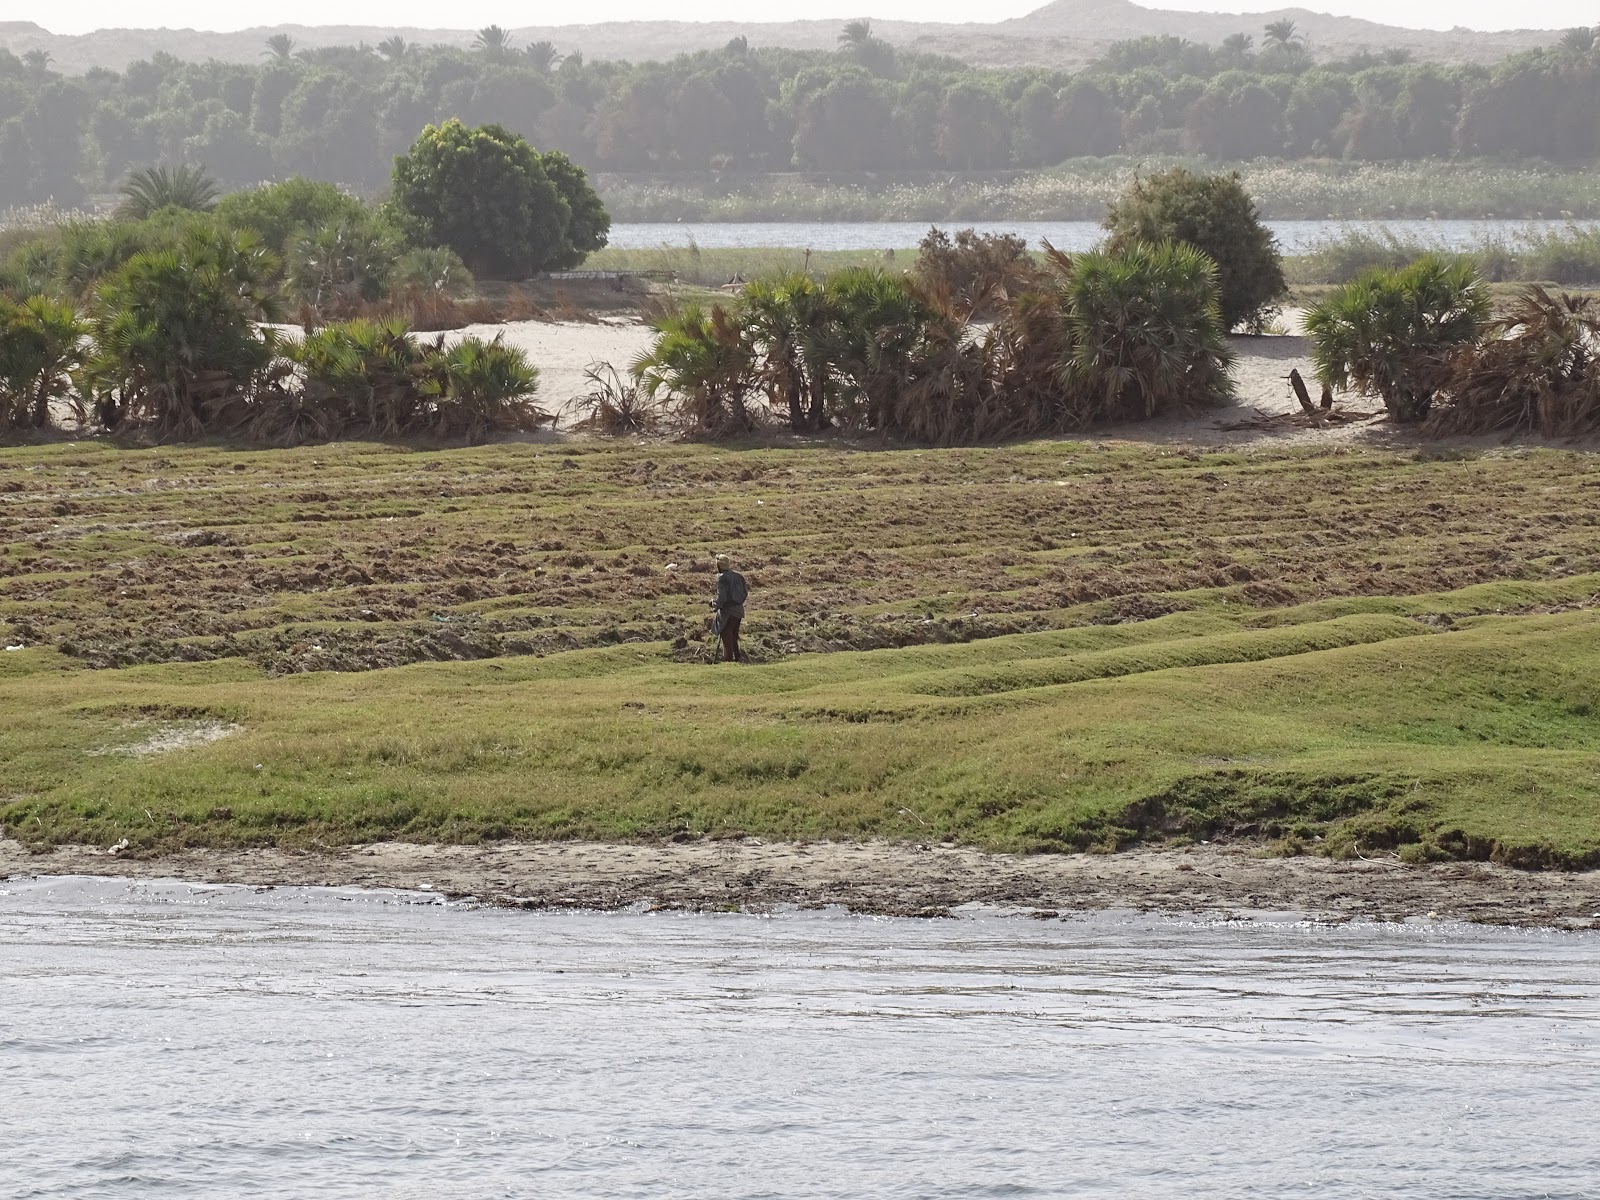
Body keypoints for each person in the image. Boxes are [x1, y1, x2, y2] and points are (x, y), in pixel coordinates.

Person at [711, 553, 748, 663]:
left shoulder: (721, 578)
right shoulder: (739, 576)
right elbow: (745, 593)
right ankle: (738, 658)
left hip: (727, 613)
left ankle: (728, 661)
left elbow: (721, 598)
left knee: (727, 638)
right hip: (739, 611)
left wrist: (713, 604)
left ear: (719, 566)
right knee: (733, 637)